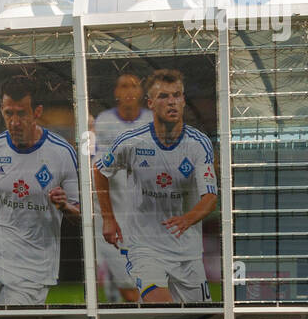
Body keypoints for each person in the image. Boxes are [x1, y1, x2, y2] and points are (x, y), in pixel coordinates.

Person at [93, 69, 218, 303]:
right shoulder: (132, 142)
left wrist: (187, 219)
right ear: (150, 103)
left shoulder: (198, 144)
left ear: (183, 100)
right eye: (163, 96)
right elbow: (99, 170)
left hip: (187, 253)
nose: (171, 101)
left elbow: (210, 197)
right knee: (163, 309)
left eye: (177, 95)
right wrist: (108, 218)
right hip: (144, 248)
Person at [0, 77, 80, 306]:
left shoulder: (62, 153)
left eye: (21, 114)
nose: (14, 122)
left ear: (37, 112)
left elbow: (81, 214)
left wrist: (65, 207)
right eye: (8, 113)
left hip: (34, 265)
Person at [90, 72, 152, 303]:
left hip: (147, 213)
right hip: (116, 211)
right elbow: (97, 164)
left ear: (141, 92)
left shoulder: (151, 120)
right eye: (123, 86)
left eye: (134, 86)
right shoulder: (104, 121)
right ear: (116, 93)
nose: (128, 91)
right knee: (128, 285)